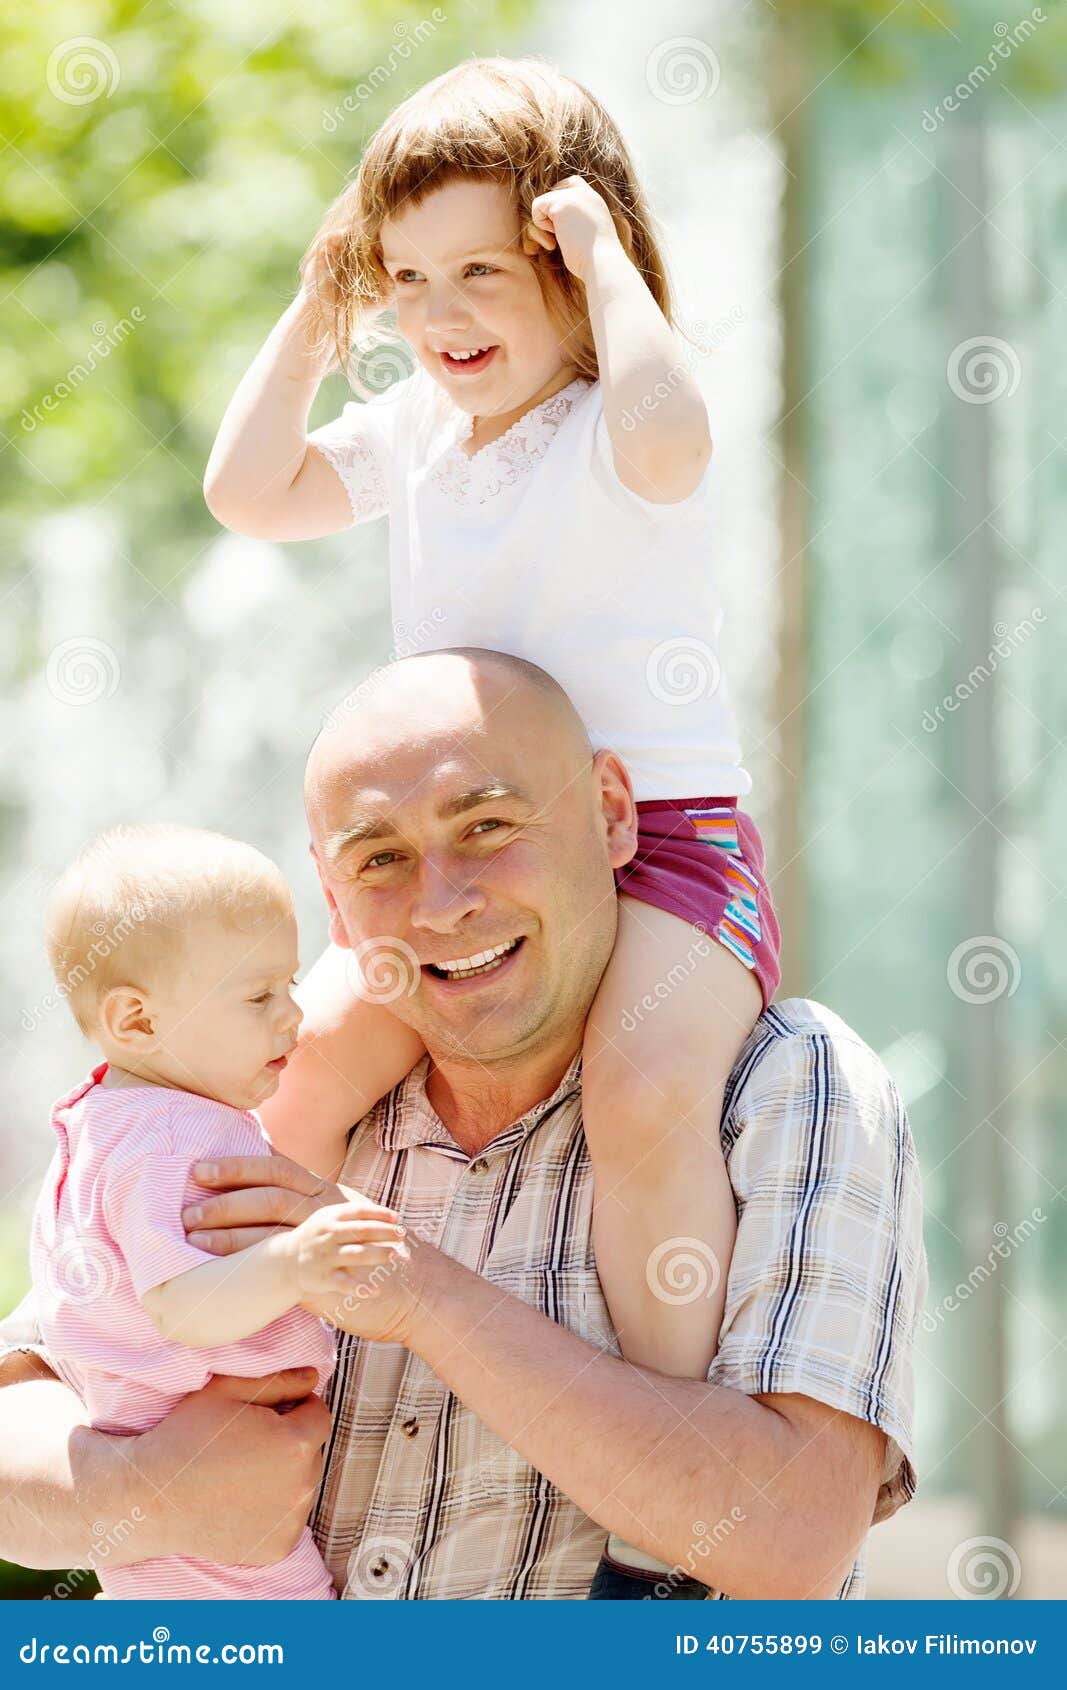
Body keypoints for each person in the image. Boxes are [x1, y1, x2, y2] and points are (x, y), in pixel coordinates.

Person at [203, 55, 780, 1596]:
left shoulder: (611, 418)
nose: (441, 311)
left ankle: (667, 1526)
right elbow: (248, 490)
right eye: (406, 279)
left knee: (643, 1083)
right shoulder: (412, 437)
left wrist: (602, 262)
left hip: (662, 856)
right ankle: (235, 1370)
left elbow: (672, 439)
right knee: (306, 1060)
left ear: (560, 261)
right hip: (463, 876)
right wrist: (323, 315)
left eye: (479, 269)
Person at [0, 651, 927, 1601]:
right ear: (334, 899)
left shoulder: (790, 1085)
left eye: (486, 826)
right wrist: (149, 1493)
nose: (442, 903)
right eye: (380, 860)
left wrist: (418, 1295)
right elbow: (31, 1397)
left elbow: (790, 1542)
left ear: (611, 815)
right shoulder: (245, 1106)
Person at [26, 824, 405, 1598]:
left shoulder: (108, 1120)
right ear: (137, 1021)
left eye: (292, 985)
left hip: (185, 1480)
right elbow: (182, 1307)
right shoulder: (170, 1134)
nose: (292, 1017)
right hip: (217, 1513)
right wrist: (294, 1263)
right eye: (258, 995)